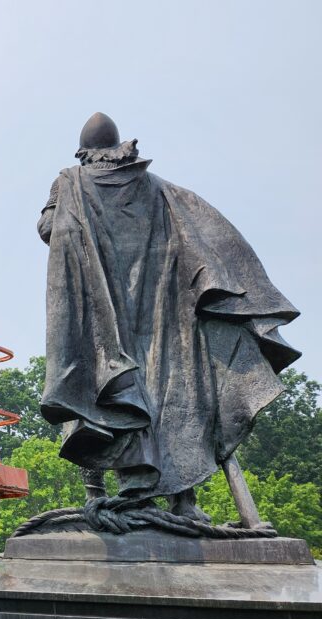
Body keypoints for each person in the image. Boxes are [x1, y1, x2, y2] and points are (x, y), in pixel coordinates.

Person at [36, 112, 299, 523]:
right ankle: (183, 502)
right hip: (162, 316)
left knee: (108, 398)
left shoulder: (71, 182)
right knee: (176, 398)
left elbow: (48, 229)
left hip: (108, 320)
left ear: (86, 152)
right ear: (122, 147)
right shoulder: (156, 189)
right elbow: (201, 233)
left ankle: (119, 492)